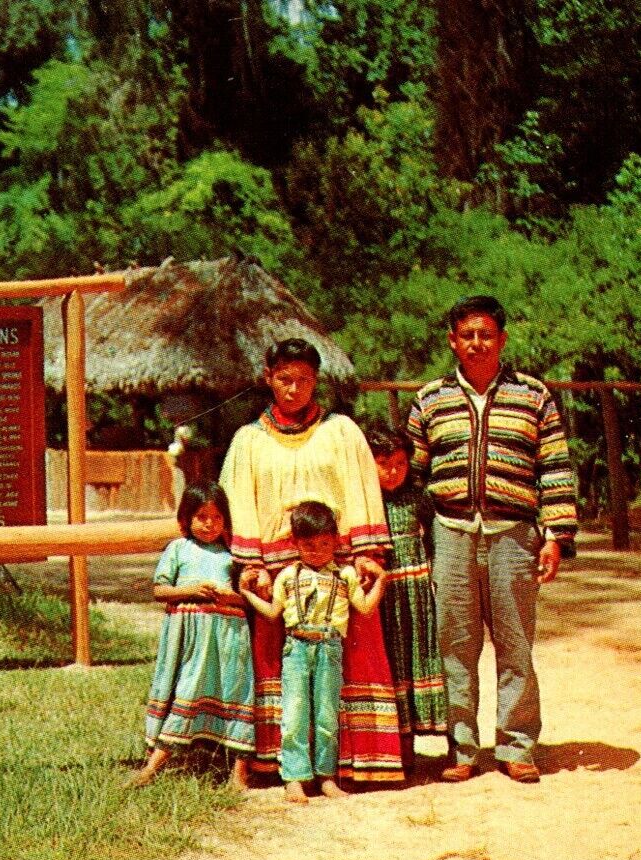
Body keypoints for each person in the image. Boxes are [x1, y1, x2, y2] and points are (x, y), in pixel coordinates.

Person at [217, 338, 405, 786]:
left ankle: (350, 763)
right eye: (284, 379)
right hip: (279, 571)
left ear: (316, 380)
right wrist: (253, 565)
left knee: (346, 661)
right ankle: (283, 765)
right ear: (268, 378)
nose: (293, 388)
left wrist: (366, 553)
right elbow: (238, 500)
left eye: (303, 379)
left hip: (336, 567)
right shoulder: (248, 441)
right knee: (285, 667)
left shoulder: (341, 432)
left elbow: (361, 488)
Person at [406, 295, 578, 783]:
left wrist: (556, 536)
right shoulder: (430, 399)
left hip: (515, 536)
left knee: (515, 643)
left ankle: (516, 745)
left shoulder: (533, 396)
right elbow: (413, 474)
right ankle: (461, 749)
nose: (477, 343)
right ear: (452, 341)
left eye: (486, 334)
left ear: (501, 339)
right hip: (450, 533)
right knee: (455, 646)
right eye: (468, 335)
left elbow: (555, 467)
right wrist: (414, 530)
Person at [241, 501, 387, 803]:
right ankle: (294, 778)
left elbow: (365, 607)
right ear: (295, 543)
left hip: (329, 649)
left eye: (324, 544)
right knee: (294, 713)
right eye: (309, 545)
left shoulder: (344, 575)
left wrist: (381, 580)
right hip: (296, 648)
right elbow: (273, 612)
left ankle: (326, 777)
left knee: (326, 714)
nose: (317, 551)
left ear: (335, 541)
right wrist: (246, 593)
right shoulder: (287, 576)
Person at [130, 482, 254, 791]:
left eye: (217, 517)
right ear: (186, 518)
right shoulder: (178, 549)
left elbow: (248, 600)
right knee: (188, 688)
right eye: (201, 517)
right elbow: (160, 590)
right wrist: (191, 590)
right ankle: (153, 767)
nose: (209, 524)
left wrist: (230, 597)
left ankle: (239, 772)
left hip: (229, 637)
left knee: (236, 692)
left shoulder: (234, 554)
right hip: (190, 638)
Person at [365, 424, 448, 769]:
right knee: (394, 664)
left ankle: (444, 743)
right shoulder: (365, 502)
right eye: (384, 464)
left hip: (417, 595)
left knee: (423, 660)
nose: (393, 472)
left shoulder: (419, 499)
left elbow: (434, 544)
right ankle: (401, 749)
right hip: (385, 597)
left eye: (400, 463)